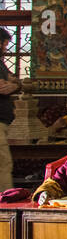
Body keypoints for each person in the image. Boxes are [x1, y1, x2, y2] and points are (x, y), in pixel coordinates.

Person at [0, 29, 17, 190]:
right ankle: (4, 207)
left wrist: (14, 84)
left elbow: (14, 81)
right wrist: (12, 85)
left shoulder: (0, 63)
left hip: (4, 122)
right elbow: (3, 87)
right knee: (3, 165)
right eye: (4, 45)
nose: (6, 49)